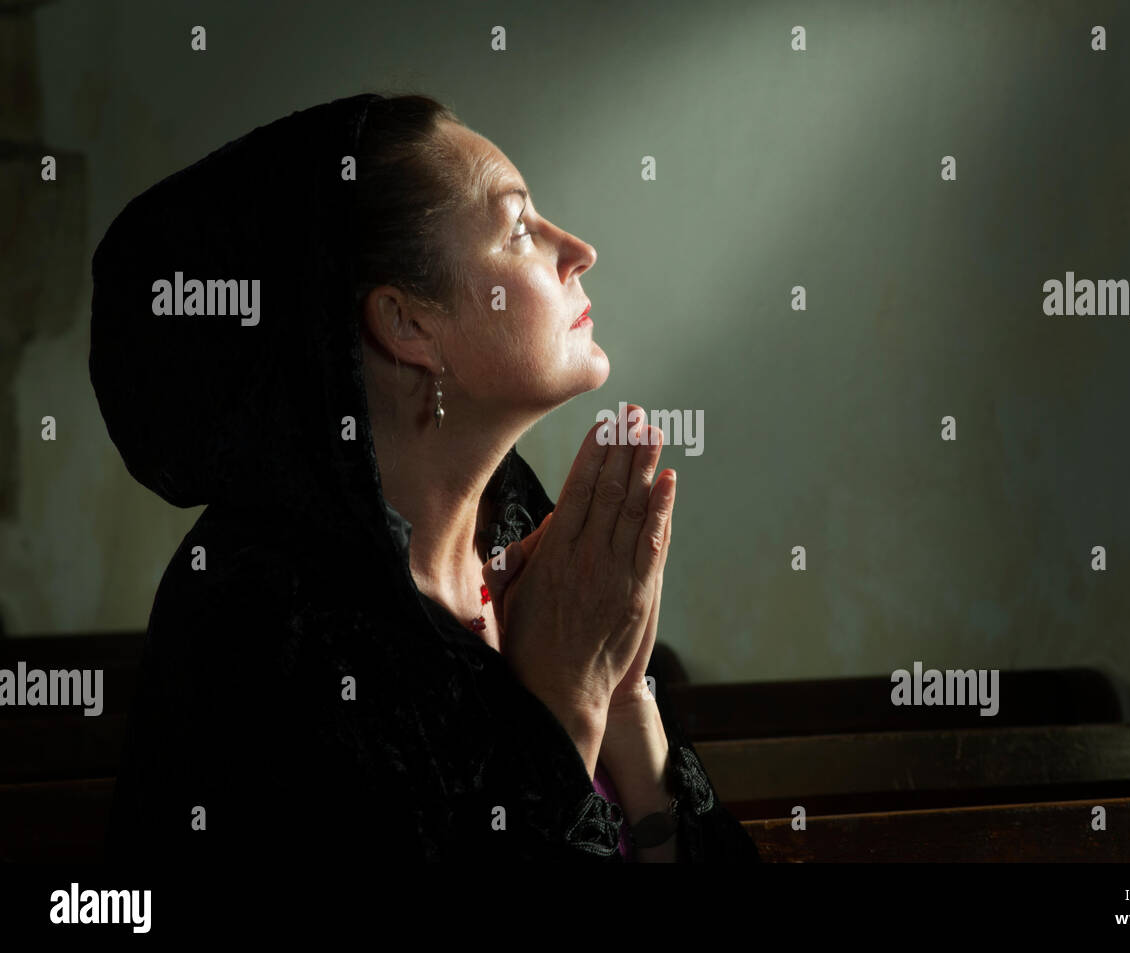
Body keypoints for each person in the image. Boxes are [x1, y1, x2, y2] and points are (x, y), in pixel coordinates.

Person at [90, 92, 760, 863]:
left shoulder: (521, 529)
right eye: (519, 228)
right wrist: (567, 707)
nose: (576, 249)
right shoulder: (258, 617)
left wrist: (627, 699)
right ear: (406, 324)